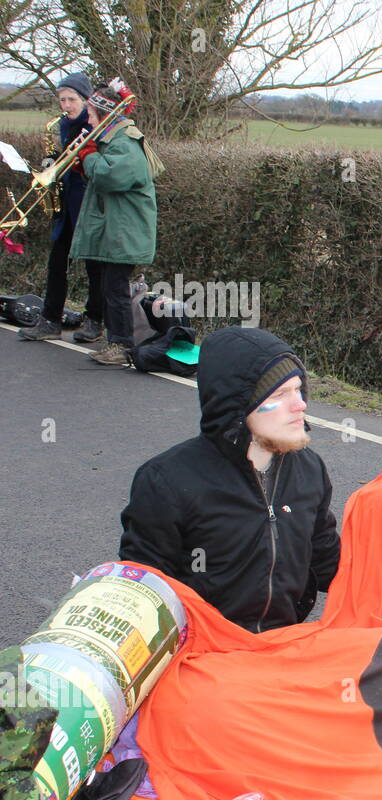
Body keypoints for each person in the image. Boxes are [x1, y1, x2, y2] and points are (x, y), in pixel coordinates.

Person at [119, 327, 340, 632]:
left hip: (278, 646)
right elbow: (141, 590)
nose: (299, 404)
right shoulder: (166, 482)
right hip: (202, 652)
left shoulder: (309, 470)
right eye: (279, 394)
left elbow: (329, 560)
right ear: (236, 407)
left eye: (298, 389)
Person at [67, 80, 161, 366]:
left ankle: (121, 344)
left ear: (104, 114)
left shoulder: (125, 140)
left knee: (115, 288)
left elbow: (112, 178)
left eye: (92, 114)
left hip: (125, 230)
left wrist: (90, 156)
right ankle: (115, 341)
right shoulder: (114, 138)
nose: (88, 119)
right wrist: (85, 164)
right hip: (117, 228)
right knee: (110, 286)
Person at [18, 73, 96, 343]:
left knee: (93, 265)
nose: (66, 105)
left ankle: (94, 321)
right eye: (62, 99)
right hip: (66, 202)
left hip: (87, 202)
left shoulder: (94, 124)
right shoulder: (64, 124)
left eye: (71, 99)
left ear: (85, 100)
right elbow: (62, 156)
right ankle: (50, 319)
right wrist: (49, 160)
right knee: (57, 262)